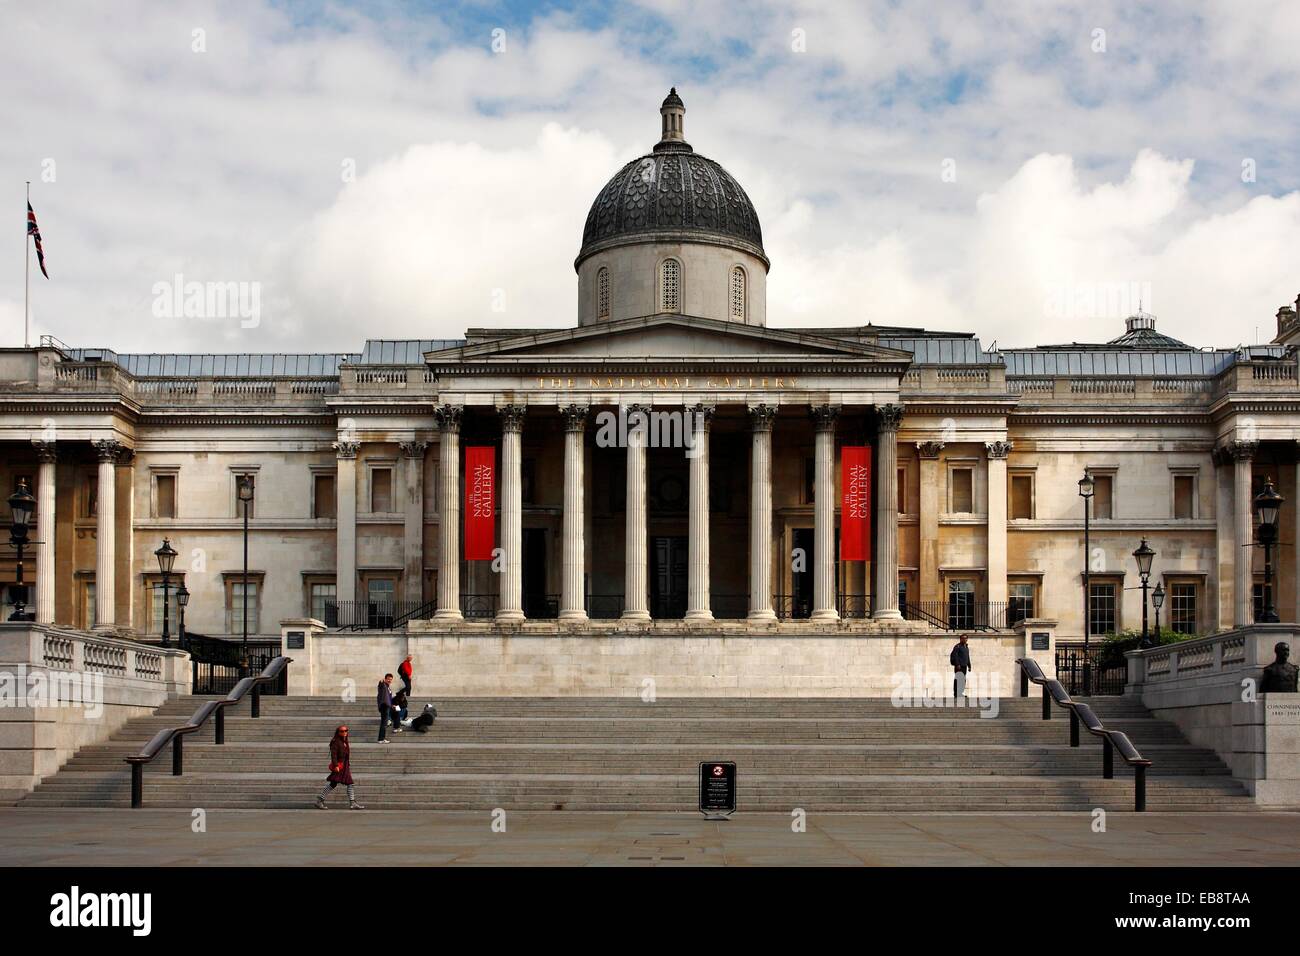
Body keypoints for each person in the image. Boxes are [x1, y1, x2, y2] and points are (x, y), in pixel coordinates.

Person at [316, 725, 364, 809]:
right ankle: (352, 803)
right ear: (338, 732)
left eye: (346, 730)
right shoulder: (336, 741)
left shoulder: (344, 741)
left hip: (344, 765)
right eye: (342, 731)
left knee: (336, 784)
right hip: (339, 766)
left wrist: (348, 763)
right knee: (347, 783)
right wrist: (336, 765)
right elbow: (333, 755)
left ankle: (320, 800)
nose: (344, 732)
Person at [950, 634, 972, 698]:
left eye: (966, 638)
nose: (964, 639)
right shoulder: (957, 646)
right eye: (963, 638)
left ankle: (960, 693)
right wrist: (957, 664)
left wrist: (969, 665)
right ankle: (956, 694)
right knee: (958, 680)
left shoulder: (966, 647)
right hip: (959, 666)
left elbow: (967, 657)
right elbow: (955, 656)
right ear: (960, 639)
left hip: (964, 666)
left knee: (963, 680)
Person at [377, 673, 394, 743]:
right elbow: (380, 685)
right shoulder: (383, 685)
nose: (389, 680)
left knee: (384, 723)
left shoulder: (388, 687)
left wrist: (391, 705)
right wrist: (381, 681)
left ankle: (381, 738)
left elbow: (389, 698)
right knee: (384, 723)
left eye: (391, 679)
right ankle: (381, 739)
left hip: (387, 706)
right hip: (384, 706)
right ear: (385, 679)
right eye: (388, 679)